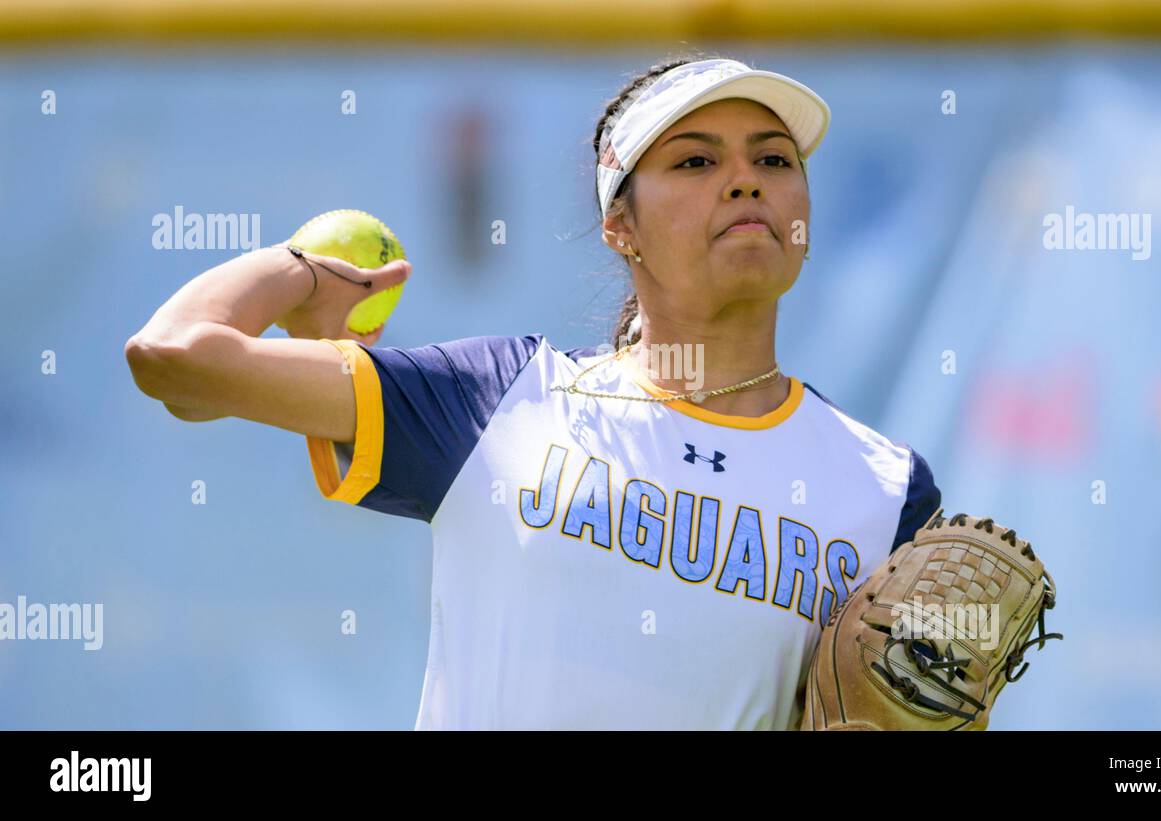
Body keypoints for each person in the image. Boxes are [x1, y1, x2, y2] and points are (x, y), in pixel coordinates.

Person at [124, 54, 941, 730]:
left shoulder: (888, 489)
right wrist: (297, 273)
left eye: (774, 158)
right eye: (695, 160)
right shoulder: (498, 398)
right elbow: (178, 358)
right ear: (619, 226)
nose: (744, 181)